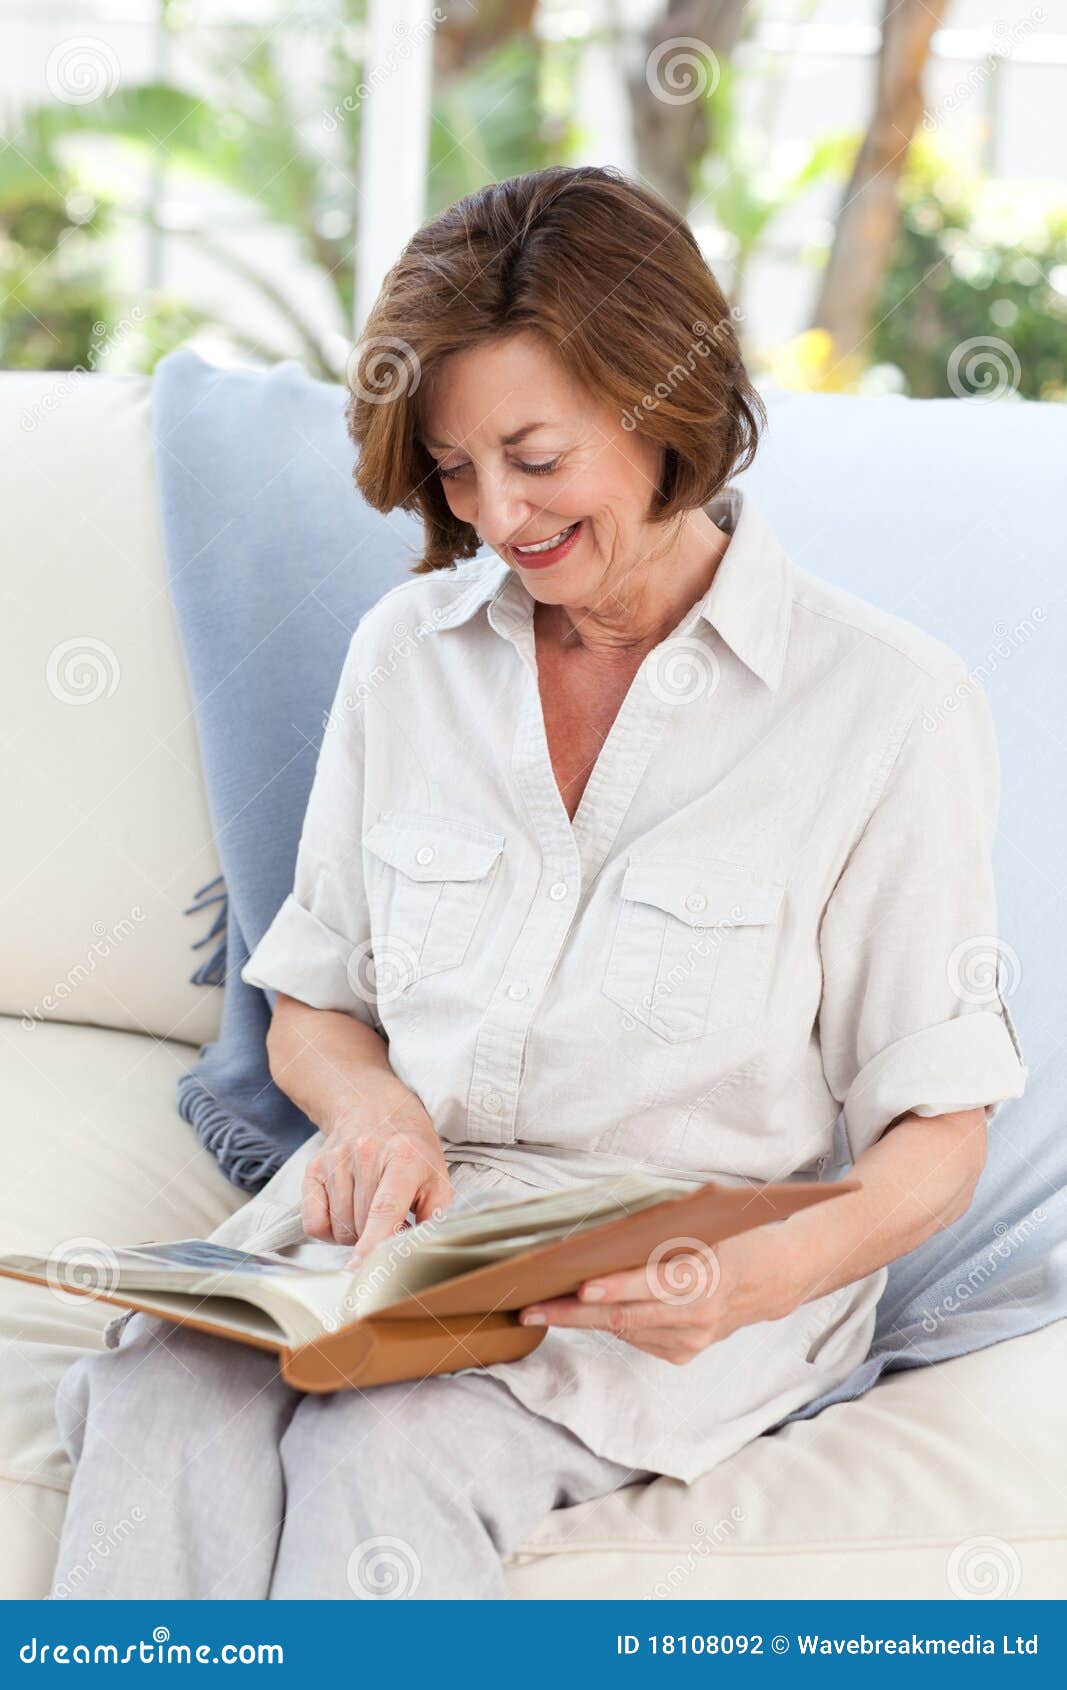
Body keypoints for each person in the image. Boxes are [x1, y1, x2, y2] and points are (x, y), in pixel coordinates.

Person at [50, 165, 1026, 1601]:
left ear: (659, 405)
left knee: (389, 1449)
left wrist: (743, 1281)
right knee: (160, 1395)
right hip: (395, 1242)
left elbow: (935, 1134)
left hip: (673, 1270)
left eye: (535, 455)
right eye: (454, 467)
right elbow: (314, 1004)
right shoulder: (408, 656)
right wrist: (376, 1109)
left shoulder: (887, 707)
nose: (497, 512)